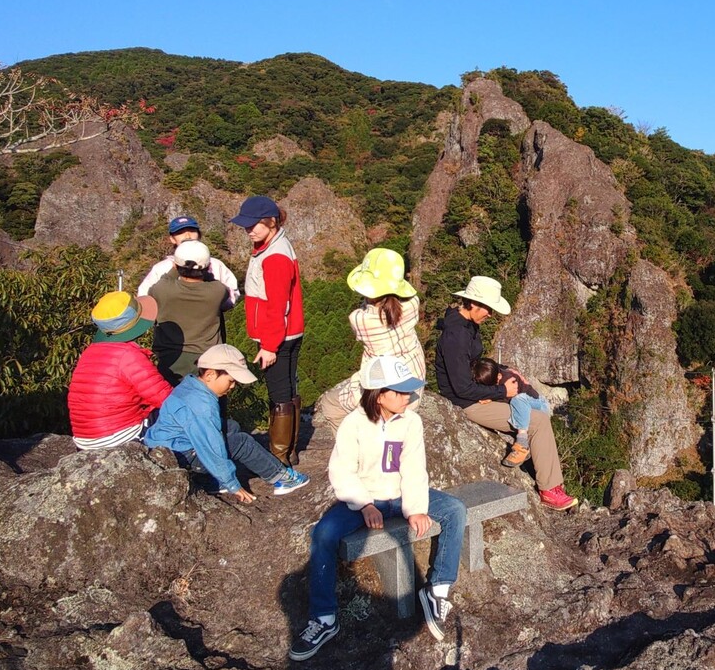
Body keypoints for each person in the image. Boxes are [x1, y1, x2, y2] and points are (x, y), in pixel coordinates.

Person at [291, 355, 467, 660]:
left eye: (407, 391)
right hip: (364, 497)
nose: (408, 397)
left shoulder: (411, 421)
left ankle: (437, 590)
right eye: (399, 392)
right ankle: (323, 618)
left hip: (399, 496)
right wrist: (364, 504)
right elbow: (342, 470)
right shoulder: (353, 424)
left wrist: (415, 508)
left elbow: (414, 468)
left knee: (454, 509)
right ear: (378, 394)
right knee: (324, 534)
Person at [433, 275, 577, 511]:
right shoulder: (456, 335)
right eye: (488, 308)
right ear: (473, 304)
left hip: (475, 391)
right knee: (537, 420)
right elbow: (461, 387)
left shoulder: (468, 326)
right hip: (466, 402)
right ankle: (550, 490)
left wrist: (504, 371)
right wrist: (500, 390)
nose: (490, 314)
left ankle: (551, 484)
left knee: (527, 400)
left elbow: (474, 364)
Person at [143, 344, 309, 501]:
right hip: (179, 457)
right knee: (242, 443)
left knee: (231, 426)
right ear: (210, 375)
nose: (233, 386)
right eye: (231, 380)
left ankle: (212, 479)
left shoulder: (191, 385)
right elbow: (210, 446)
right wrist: (232, 484)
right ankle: (282, 478)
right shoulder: (201, 405)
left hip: (167, 446)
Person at [314, 247, 425, 436]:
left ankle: (354, 453)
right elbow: (393, 308)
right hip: (414, 384)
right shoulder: (413, 303)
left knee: (329, 404)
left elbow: (370, 312)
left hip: (384, 390)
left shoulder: (360, 319)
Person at [232, 195, 303, 464]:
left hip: (277, 335)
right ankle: (289, 451)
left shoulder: (274, 256)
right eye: (246, 226)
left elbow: (277, 305)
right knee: (287, 387)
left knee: (278, 393)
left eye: (254, 225)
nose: (249, 230)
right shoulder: (275, 246)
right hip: (289, 331)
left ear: (271, 222)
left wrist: (269, 346)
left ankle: (280, 455)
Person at [67, 291, 173, 451]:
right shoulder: (129, 355)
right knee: (176, 414)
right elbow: (165, 399)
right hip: (117, 437)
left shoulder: (89, 352)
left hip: (83, 439)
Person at [147, 239, 232, 383]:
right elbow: (214, 281)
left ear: (176, 265)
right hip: (205, 358)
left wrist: (176, 267)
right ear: (207, 267)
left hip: (170, 358)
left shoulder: (162, 290)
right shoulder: (217, 291)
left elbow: (165, 279)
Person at [137, 214, 240, 305]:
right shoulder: (161, 268)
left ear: (199, 235)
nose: (187, 235)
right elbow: (144, 296)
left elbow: (232, 293)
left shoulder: (217, 265)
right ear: (172, 239)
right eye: (180, 232)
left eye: (191, 231)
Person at [471, 356, 551, 466]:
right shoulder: (494, 374)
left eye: (494, 385)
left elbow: (509, 395)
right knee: (516, 402)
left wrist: (491, 397)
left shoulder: (509, 379)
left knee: (517, 400)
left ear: (499, 376)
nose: (493, 388)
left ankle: (522, 443)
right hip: (528, 406)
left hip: (539, 404)